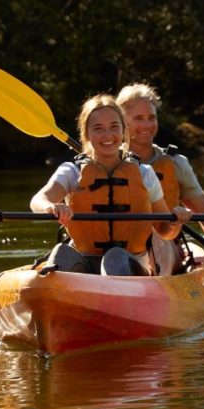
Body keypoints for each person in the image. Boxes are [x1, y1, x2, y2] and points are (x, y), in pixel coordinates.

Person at [29, 93, 189, 275]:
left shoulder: (144, 173)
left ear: (124, 131)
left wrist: (176, 222)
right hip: (86, 265)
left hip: (132, 265)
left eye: (114, 127)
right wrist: (50, 207)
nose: (107, 135)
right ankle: (60, 290)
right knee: (61, 253)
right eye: (98, 128)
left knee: (115, 256)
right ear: (86, 134)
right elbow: (38, 200)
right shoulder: (72, 171)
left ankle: (113, 289)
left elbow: (165, 230)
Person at [117, 82, 204, 274]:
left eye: (152, 118)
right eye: (138, 118)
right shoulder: (105, 162)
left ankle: (146, 277)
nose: (147, 125)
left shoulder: (176, 164)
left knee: (156, 238)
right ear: (122, 121)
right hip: (117, 247)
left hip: (165, 247)